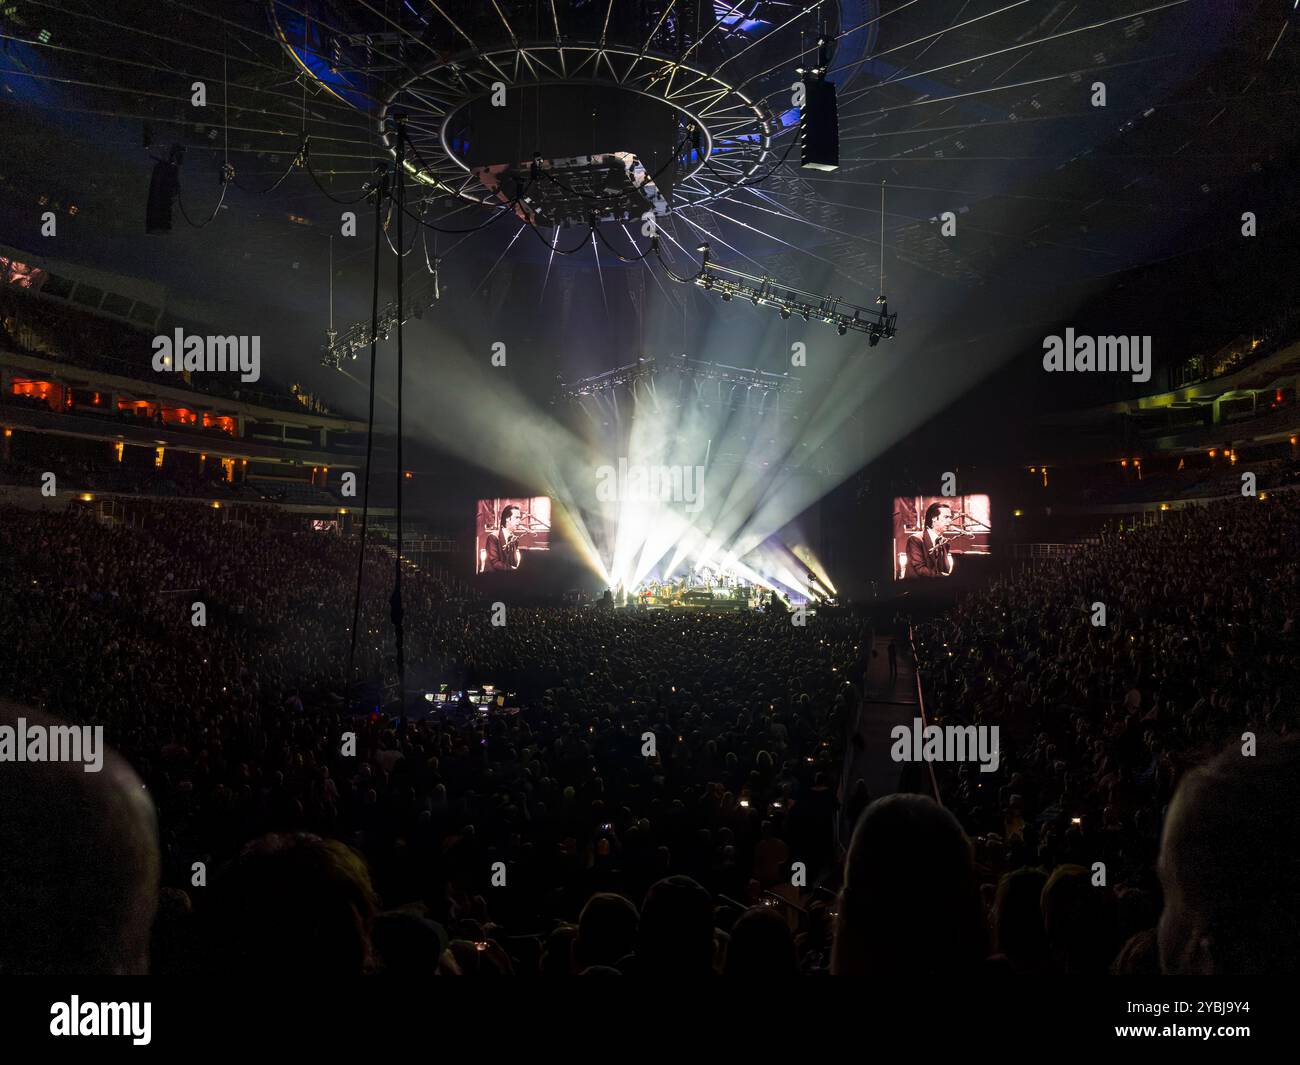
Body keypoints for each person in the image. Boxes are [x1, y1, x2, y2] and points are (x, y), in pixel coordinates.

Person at [905, 501, 955, 578]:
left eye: (950, 517)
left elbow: (944, 569)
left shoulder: (945, 542)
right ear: (934, 518)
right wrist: (943, 577)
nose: (950, 521)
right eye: (946, 517)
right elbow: (920, 569)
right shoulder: (915, 540)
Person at [484, 504, 524, 572]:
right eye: (516, 518)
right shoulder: (493, 537)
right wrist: (514, 569)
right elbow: (495, 563)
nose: (519, 521)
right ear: (507, 519)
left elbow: (513, 563)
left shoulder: (514, 539)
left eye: (520, 518)